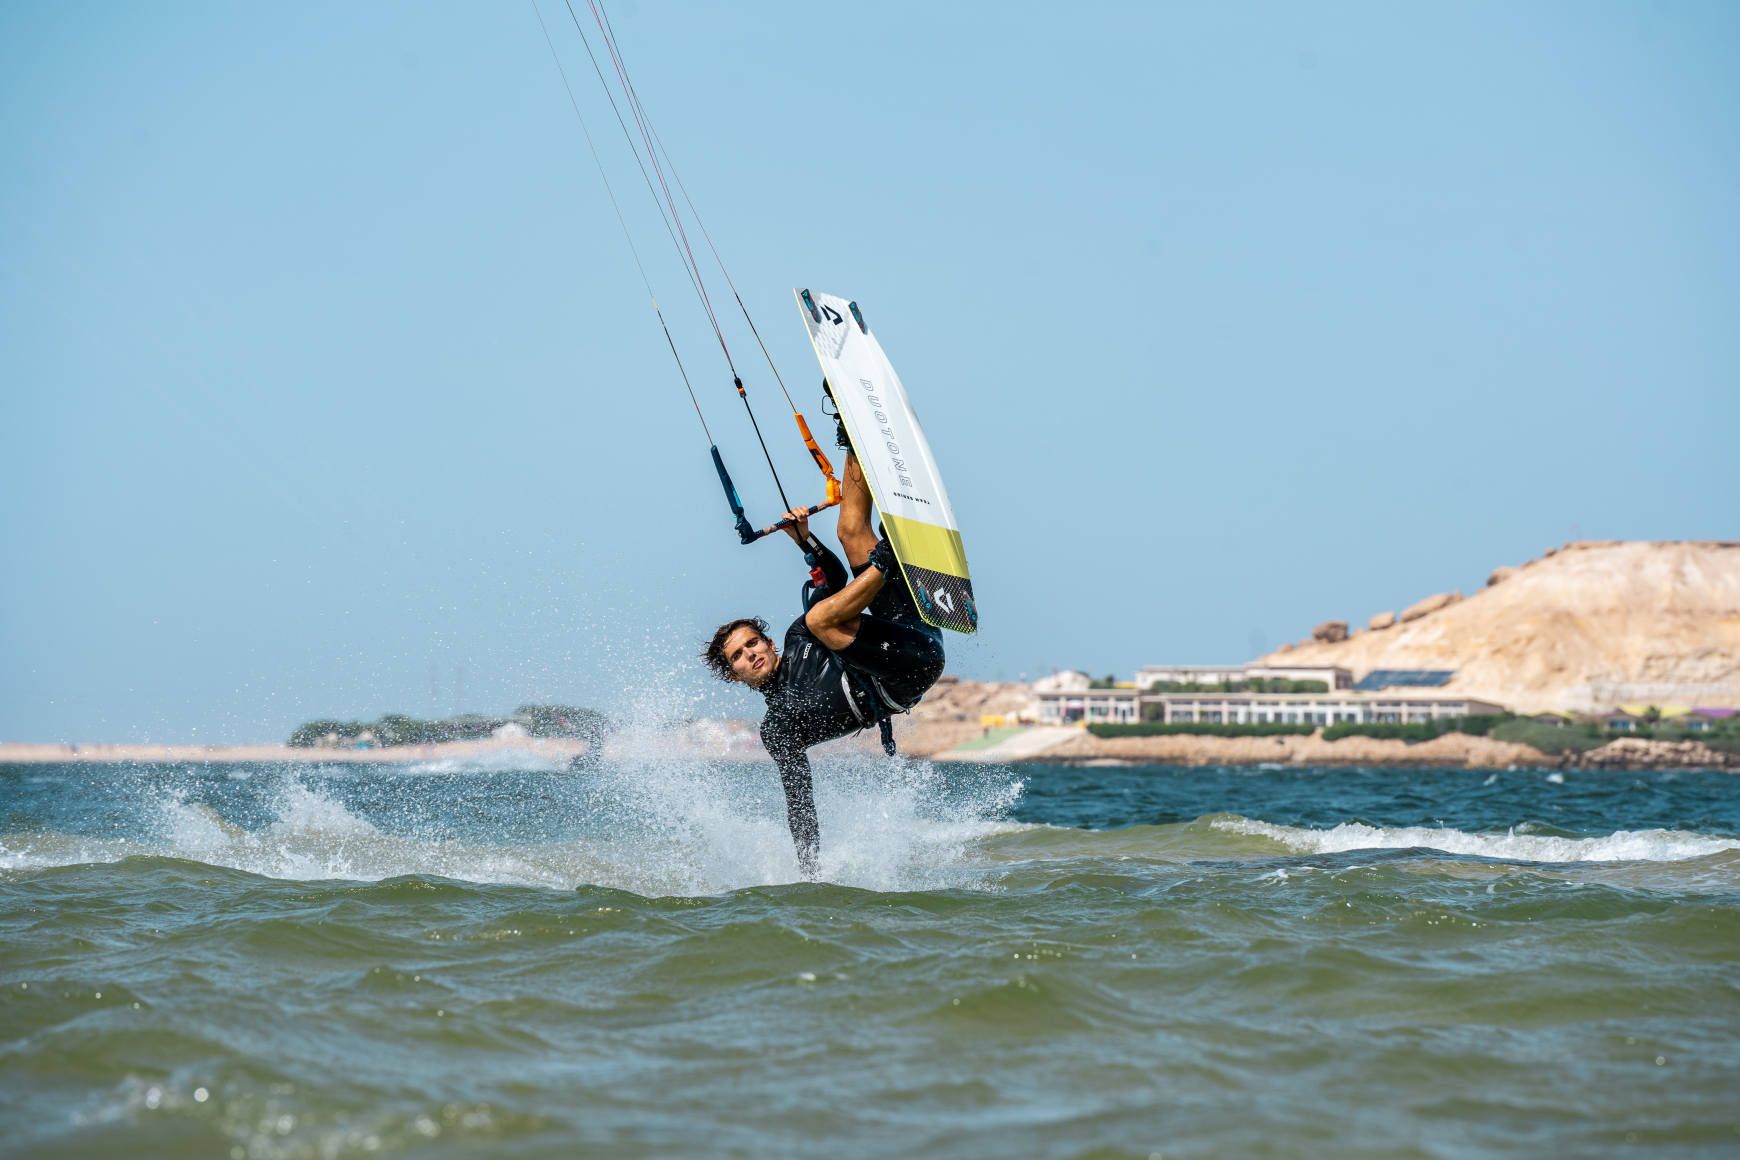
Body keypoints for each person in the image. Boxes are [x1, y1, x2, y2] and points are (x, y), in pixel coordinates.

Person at [701, 449, 945, 879]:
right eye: (739, 656)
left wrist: (804, 539)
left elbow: (831, 579)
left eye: (753, 642)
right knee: (822, 617)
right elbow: (800, 803)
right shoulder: (779, 730)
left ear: (770, 643)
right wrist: (809, 873)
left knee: (850, 531)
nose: (751, 653)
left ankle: (851, 440)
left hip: (908, 628)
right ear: (734, 675)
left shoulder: (798, 637)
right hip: (909, 673)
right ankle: (888, 562)